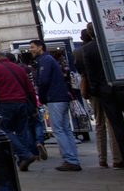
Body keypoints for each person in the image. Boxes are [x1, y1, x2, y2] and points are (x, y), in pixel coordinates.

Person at [80, 22, 124, 173]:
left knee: (117, 127)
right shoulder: (115, 43)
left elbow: (91, 74)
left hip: (105, 92)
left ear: (89, 34)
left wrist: (95, 92)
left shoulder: (88, 49)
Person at [74, 28, 122, 168]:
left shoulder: (77, 53)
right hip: (106, 89)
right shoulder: (101, 47)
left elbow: (81, 72)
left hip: (92, 91)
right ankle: (117, 158)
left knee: (99, 124)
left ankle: (102, 159)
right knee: (111, 123)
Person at [30, 40, 81, 171]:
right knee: (66, 130)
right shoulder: (48, 59)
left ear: (40, 47)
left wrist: (41, 97)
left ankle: (69, 159)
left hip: (54, 98)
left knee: (58, 130)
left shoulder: (45, 60)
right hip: (61, 98)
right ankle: (73, 159)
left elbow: (44, 80)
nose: (31, 50)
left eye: (33, 47)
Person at [0, 50, 39, 171]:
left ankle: (24, 155)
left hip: (5, 103)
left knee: (4, 129)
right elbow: (30, 89)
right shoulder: (19, 69)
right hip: (22, 103)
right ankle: (23, 160)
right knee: (22, 131)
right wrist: (34, 106)